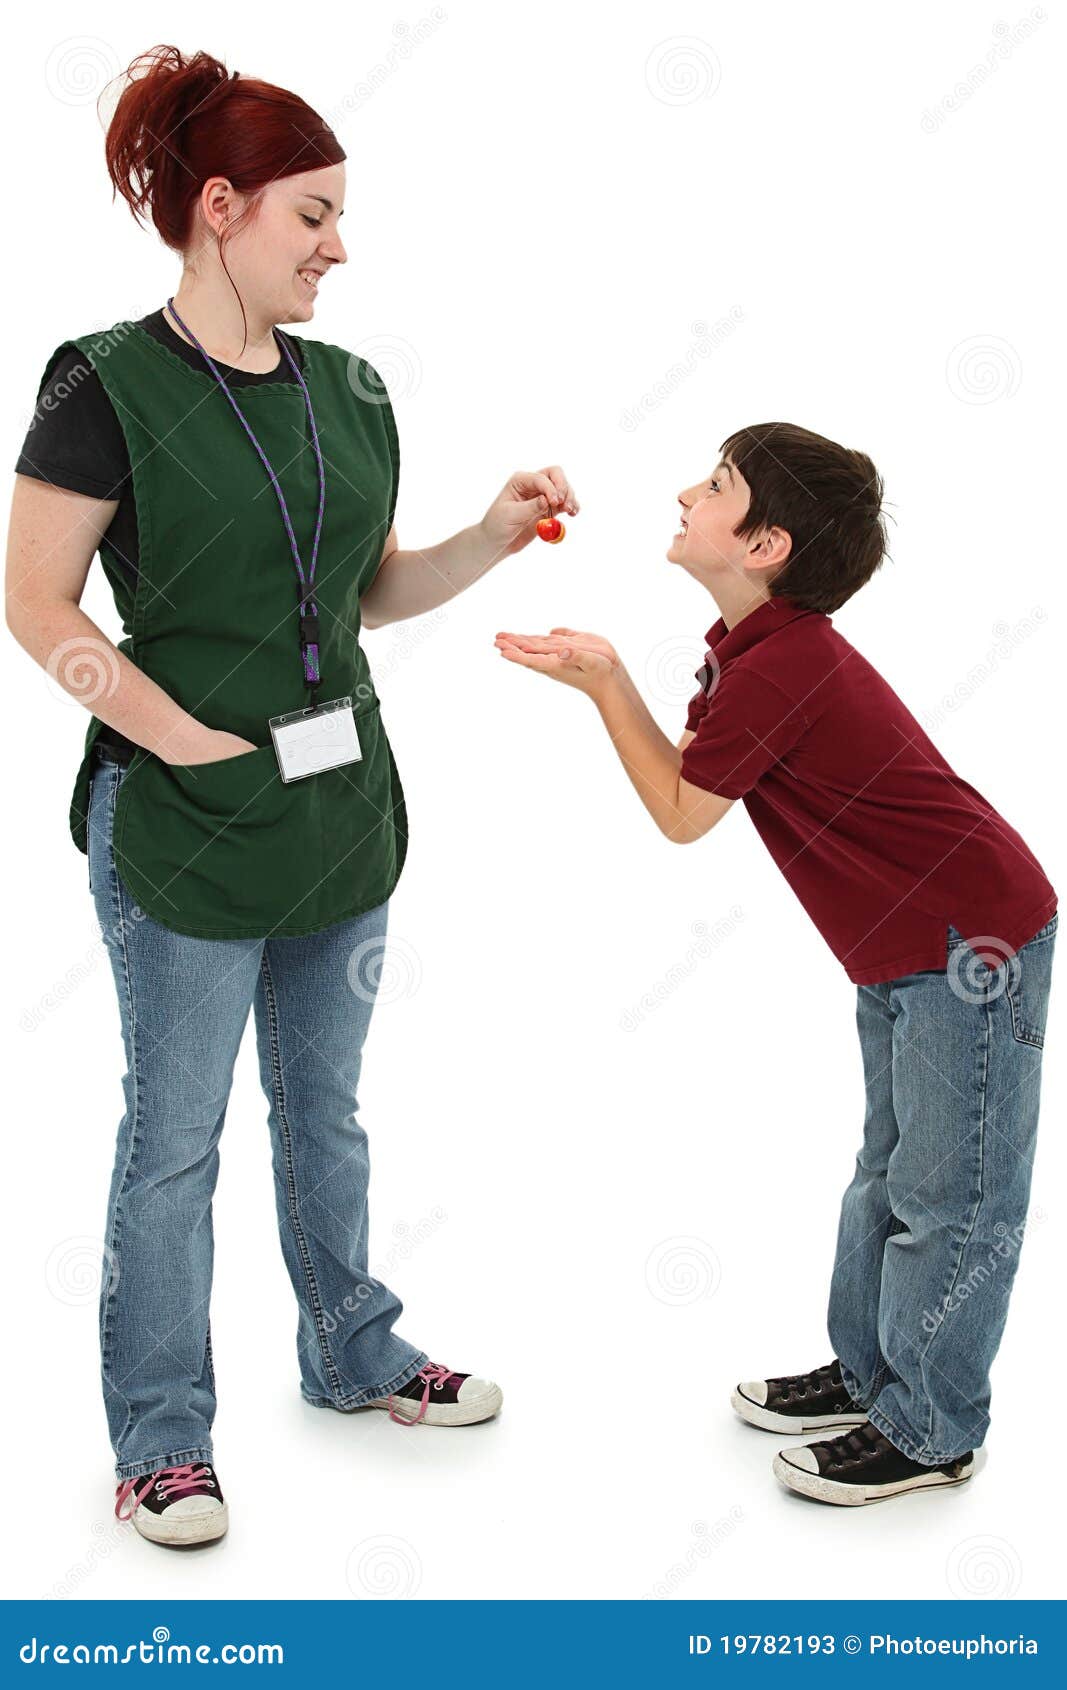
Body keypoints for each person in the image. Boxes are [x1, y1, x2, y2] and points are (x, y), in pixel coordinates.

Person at [6, 44, 578, 1548]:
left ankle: (351, 1348)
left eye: (337, 218)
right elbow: (37, 606)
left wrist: (488, 536)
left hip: (339, 810)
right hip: (187, 822)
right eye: (312, 215)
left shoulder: (350, 388)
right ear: (219, 208)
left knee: (322, 1109)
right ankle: (160, 1442)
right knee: (175, 1136)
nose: (339, 246)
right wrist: (176, 739)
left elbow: (367, 594)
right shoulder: (102, 381)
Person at [495, 421, 1057, 1507]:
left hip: (965, 942)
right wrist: (612, 675)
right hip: (906, 946)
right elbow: (693, 788)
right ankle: (867, 1373)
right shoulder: (756, 652)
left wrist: (606, 683)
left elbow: (677, 813)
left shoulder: (780, 667)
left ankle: (932, 1426)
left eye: (713, 485)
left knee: (953, 1197)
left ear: (764, 545)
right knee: (886, 1172)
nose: (683, 493)